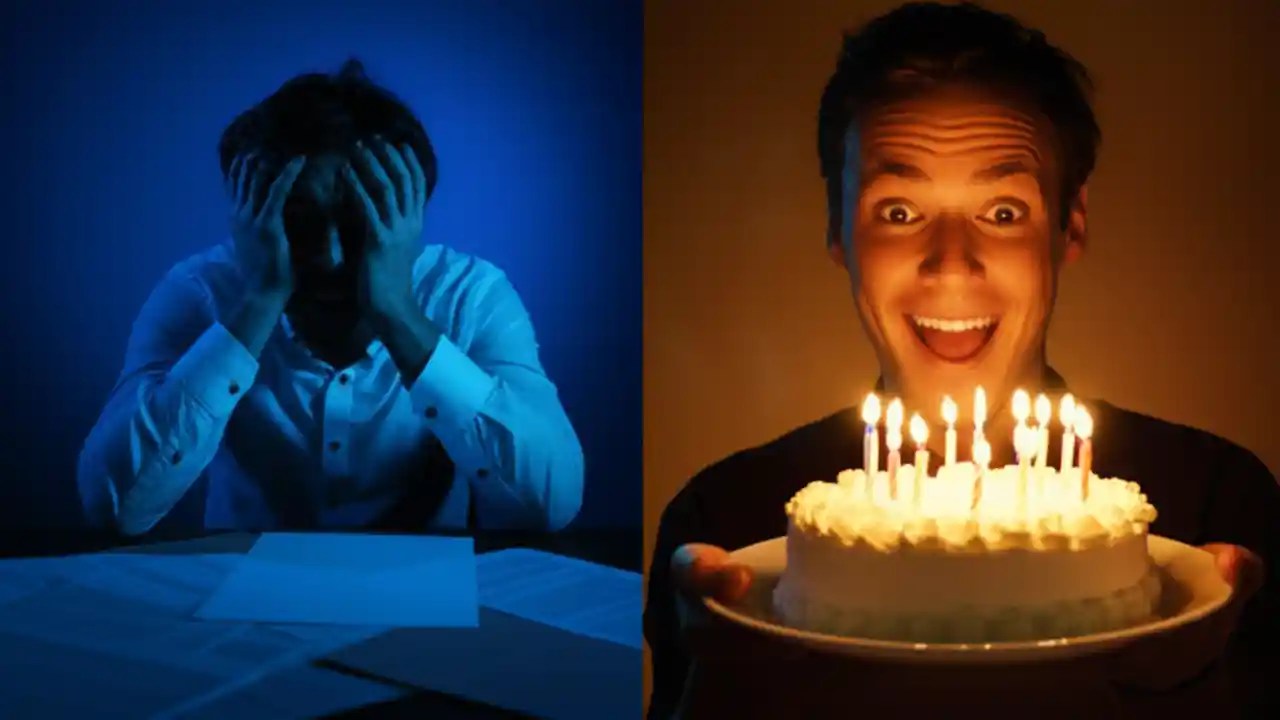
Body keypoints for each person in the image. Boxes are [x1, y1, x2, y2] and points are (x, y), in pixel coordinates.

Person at [645, 3, 1278, 718]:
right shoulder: (729, 527)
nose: (952, 265)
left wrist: (1195, 685)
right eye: (899, 212)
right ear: (837, 229)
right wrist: (725, 686)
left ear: (1069, 226)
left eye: (1002, 212)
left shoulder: (1213, 507)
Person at [77, 59, 583, 536]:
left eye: (359, 220)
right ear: (251, 217)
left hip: (428, 597)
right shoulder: (200, 292)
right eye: (298, 222)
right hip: (244, 597)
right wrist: (256, 304)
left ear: (410, 218)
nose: (331, 257)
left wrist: (399, 315)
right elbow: (117, 508)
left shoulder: (470, 295)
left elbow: (551, 505)